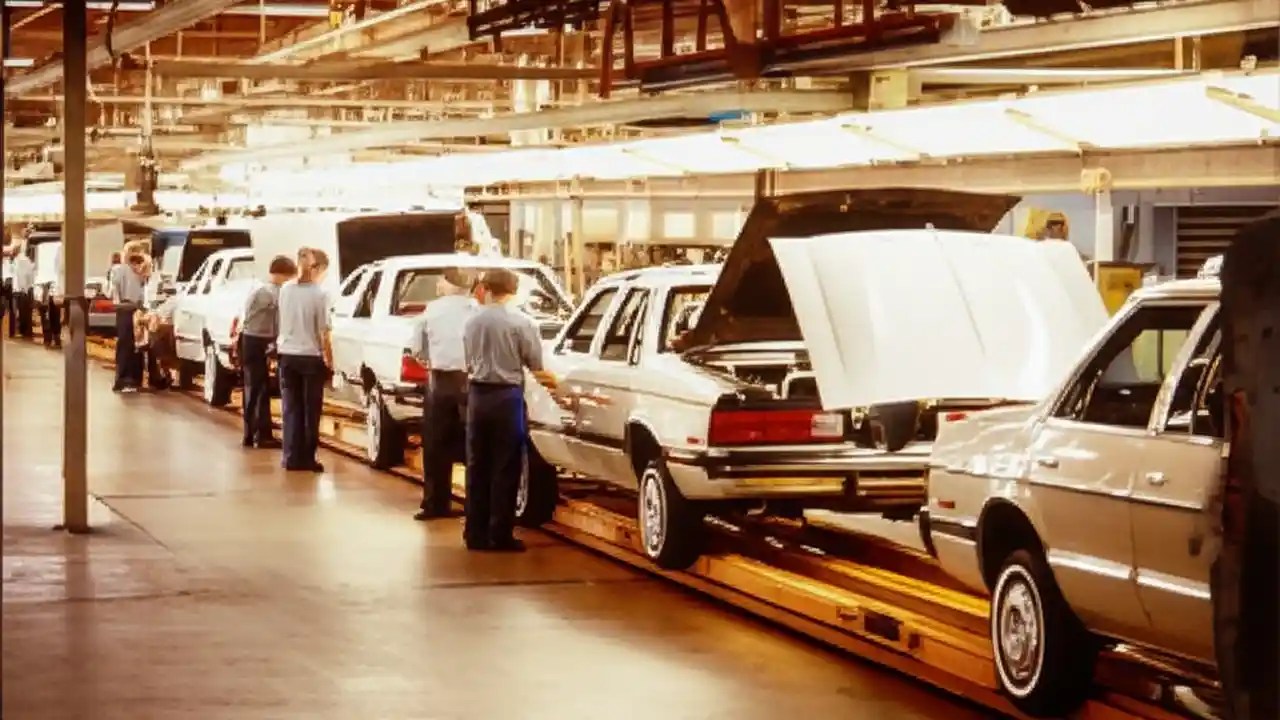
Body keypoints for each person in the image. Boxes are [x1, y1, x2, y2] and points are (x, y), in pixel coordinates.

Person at [461, 268, 556, 552]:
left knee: (477, 465)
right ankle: (499, 534)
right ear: (513, 291)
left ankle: (474, 533)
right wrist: (559, 389)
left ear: (487, 289)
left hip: (477, 397)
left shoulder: (471, 322)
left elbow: (468, 360)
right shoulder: (522, 323)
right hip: (507, 398)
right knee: (506, 466)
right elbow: (535, 365)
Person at [409, 267, 477, 521]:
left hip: (439, 382)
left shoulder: (432, 310)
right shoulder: (477, 311)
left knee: (436, 445)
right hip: (471, 382)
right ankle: (474, 505)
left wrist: (430, 359)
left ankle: (435, 504)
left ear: (447, 284)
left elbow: (417, 349)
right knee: (473, 445)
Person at [276, 248, 332, 472]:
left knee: (290, 408)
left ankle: (290, 456)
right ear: (316, 268)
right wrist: (330, 361)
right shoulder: (320, 294)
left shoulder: (285, 290)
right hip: (310, 357)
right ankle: (308, 458)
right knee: (311, 410)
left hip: (287, 355)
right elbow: (324, 331)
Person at [238, 255, 297, 449]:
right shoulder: (269, 292)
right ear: (280, 274)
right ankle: (260, 434)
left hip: (252, 338)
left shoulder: (260, 287)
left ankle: (253, 433)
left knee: (255, 387)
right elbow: (282, 316)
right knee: (258, 388)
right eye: (288, 277)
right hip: (257, 340)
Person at [110, 251, 147, 392]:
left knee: (136, 344)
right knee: (128, 344)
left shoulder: (141, 272)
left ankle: (132, 379)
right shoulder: (122, 270)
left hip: (134, 310)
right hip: (128, 309)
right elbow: (114, 290)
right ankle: (125, 379)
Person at [11, 243, 36, 339]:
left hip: (22, 289)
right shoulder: (22, 260)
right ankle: (26, 331)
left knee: (23, 311)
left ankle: (25, 331)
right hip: (24, 289)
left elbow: (22, 275)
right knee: (25, 311)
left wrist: (23, 288)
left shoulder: (21, 260)